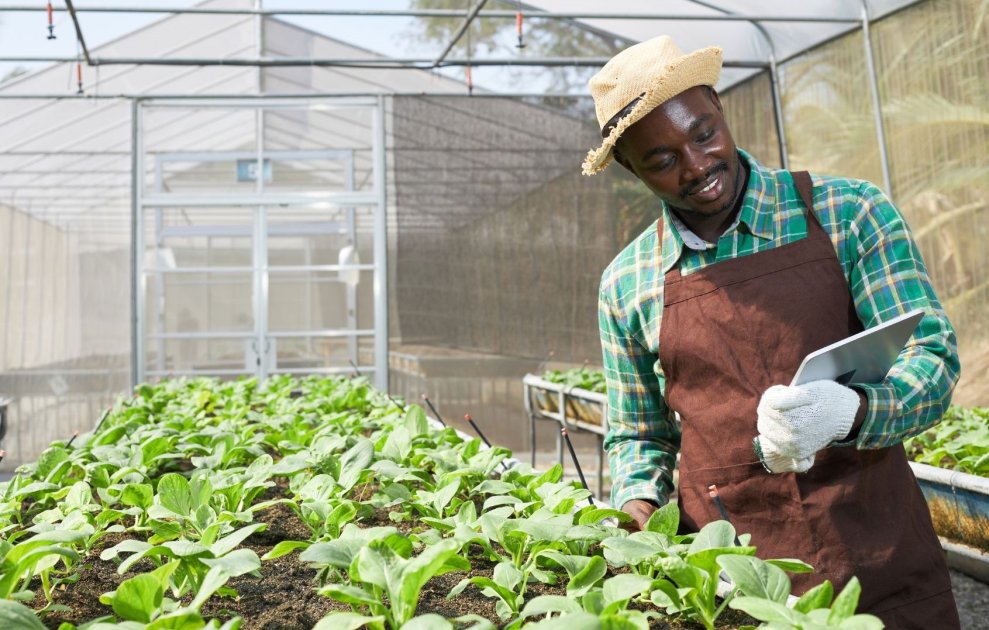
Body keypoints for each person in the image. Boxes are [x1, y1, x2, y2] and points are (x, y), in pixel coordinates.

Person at [587, 36, 960, 628]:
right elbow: (638, 434)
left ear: (718, 105)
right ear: (631, 167)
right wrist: (639, 509)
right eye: (661, 160)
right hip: (737, 582)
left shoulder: (848, 212)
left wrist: (852, 412)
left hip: (878, 557)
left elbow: (932, 361)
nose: (697, 166)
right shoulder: (628, 283)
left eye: (704, 133)